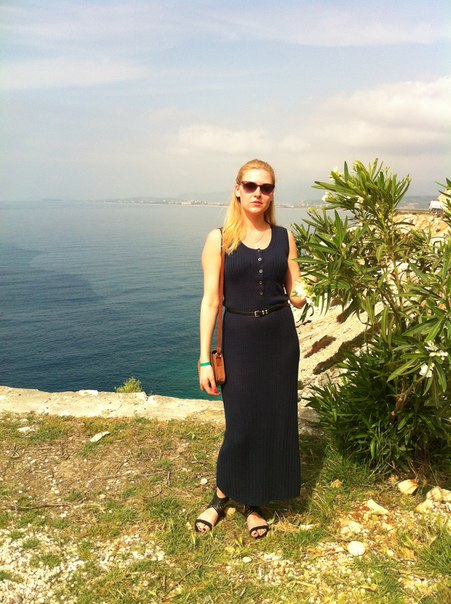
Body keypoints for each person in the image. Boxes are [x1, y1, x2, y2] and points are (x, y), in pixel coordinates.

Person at [195, 159, 306, 539]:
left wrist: (308, 288)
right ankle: (221, 495)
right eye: (251, 186)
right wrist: (204, 358)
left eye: (267, 187)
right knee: (240, 424)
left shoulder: (285, 237)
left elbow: (296, 293)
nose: (259, 193)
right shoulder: (219, 239)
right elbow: (211, 301)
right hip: (239, 339)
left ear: (272, 193)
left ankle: (254, 503)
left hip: (279, 339)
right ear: (238, 189)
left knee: (273, 420)